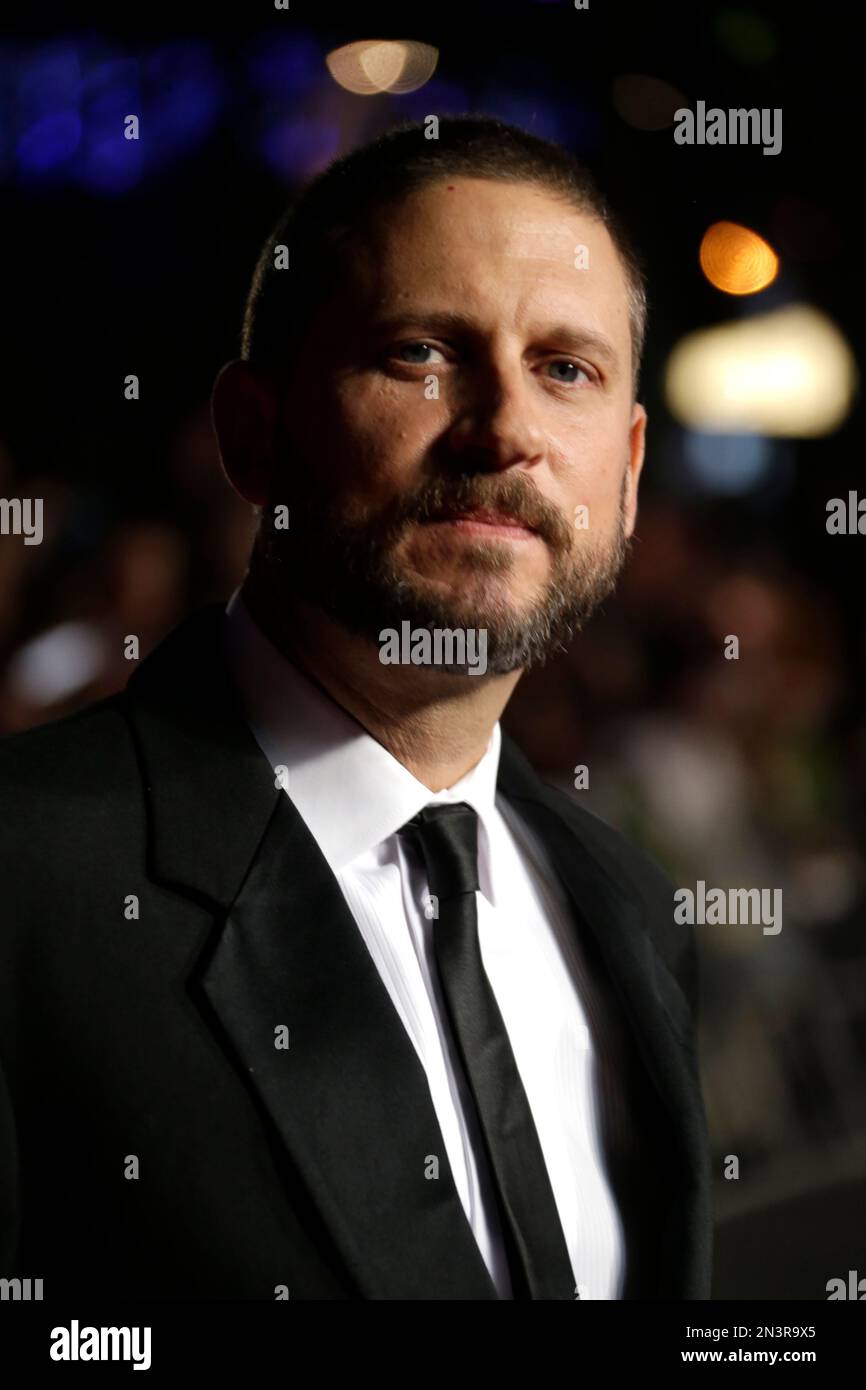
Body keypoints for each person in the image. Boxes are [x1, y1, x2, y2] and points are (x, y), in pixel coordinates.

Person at [0, 116, 712, 1300]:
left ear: (627, 474)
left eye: (565, 370)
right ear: (252, 432)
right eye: (421, 353)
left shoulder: (625, 903)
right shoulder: (29, 883)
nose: (506, 431)